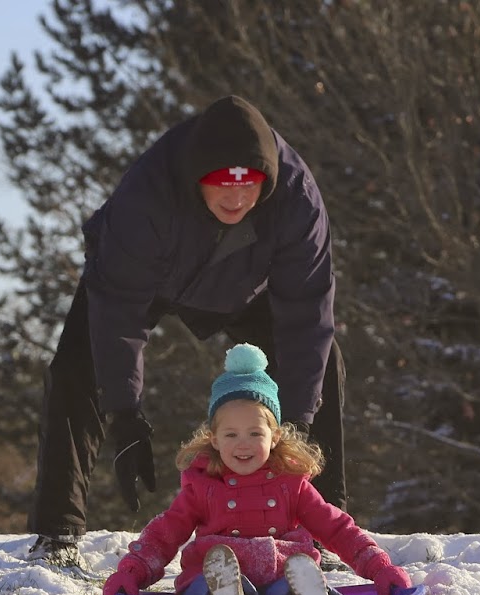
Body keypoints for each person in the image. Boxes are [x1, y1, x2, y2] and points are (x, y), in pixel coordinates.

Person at [27, 94, 346, 569]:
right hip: (148, 277)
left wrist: (297, 424)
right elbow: (117, 311)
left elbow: (307, 313)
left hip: (248, 283)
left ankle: (324, 526)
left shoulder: (297, 199)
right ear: (199, 179)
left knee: (325, 366)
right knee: (78, 365)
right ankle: (56, 532)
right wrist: (125, 413)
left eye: (249, 187)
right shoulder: (147, 196)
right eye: (222, 186)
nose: (236, 199)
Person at [102, 344, 411, 595]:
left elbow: (337, 528)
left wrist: (379, 567)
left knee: (284, 592)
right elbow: (165, 533)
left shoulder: (291, 484)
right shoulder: (203, 485)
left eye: (255, 433)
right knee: (200, 591)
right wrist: (131, 573)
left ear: (274, 436)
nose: (243, 444)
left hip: (280, 571)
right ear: (214, 438)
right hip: (215, 570)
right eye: (231, 434)